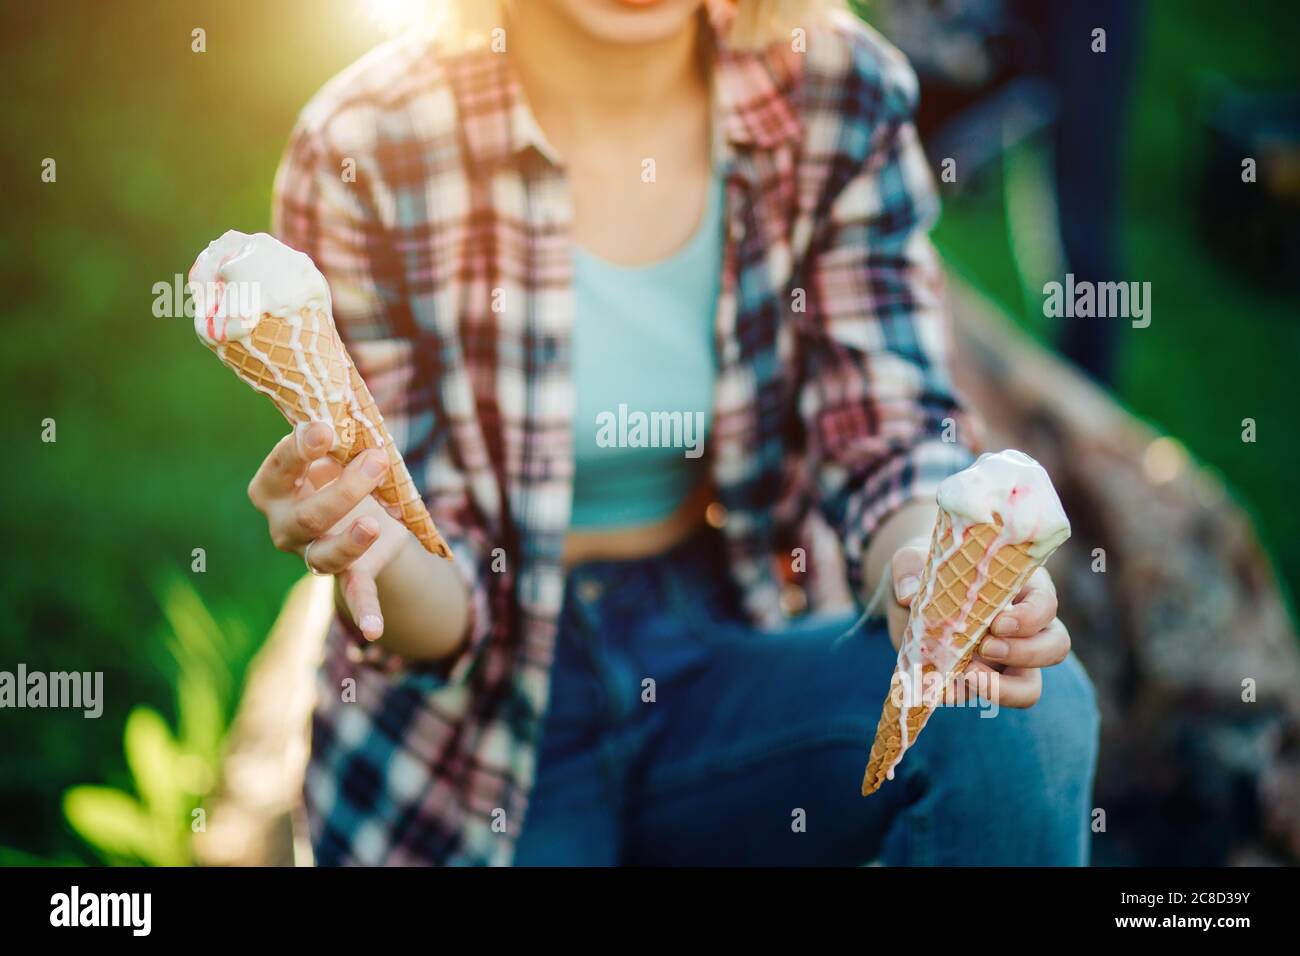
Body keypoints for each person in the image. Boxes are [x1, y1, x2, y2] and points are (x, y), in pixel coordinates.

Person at [253, 0, 1098, 866]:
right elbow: (442, 587)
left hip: (733, 648)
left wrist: (938, 576)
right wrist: (365, 542)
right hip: (472, 736)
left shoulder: (841, 87)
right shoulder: (365, 144)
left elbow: (887, 432)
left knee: (1015, 716)